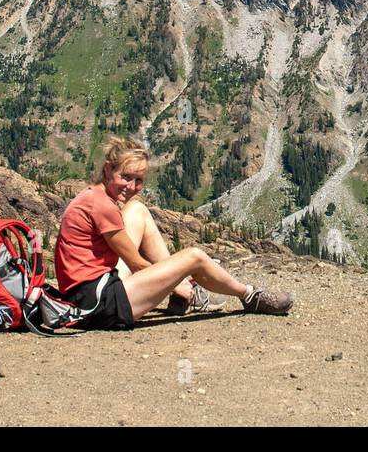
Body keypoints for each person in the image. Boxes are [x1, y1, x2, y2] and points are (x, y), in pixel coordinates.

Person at [53, 137, 294, 329]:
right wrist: (174, 284)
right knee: (194, 256)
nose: (131, 186)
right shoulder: (102, 206)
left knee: (138, 210)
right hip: (98, 305)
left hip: (87, 294)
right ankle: (249, 295)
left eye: (138, 180)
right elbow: (136, 264)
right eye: (125, 177)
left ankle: (188, 296)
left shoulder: (93, 195)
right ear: (108, 170)